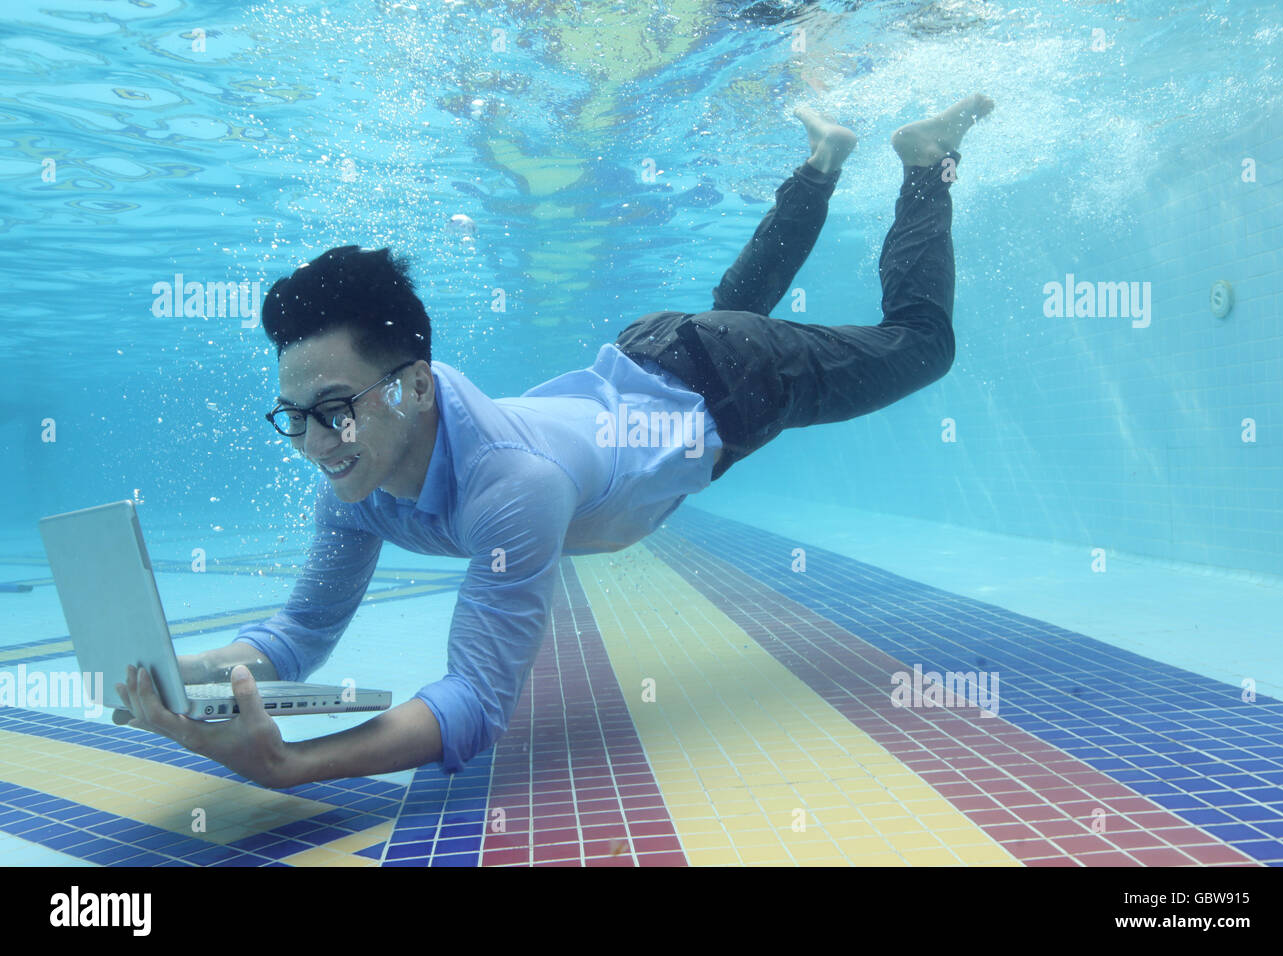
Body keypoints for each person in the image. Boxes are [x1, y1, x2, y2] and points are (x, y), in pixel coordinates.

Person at [114, 95, 994, 788]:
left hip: (729, 381)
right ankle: (823, 161)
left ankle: (924, 165)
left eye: (333, 408)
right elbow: (298, 634)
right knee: (734, 301)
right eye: (294, 416)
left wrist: (295, 764)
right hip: (650, 355)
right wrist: (172, 671)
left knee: (920, 348)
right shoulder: (355, 470)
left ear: (415, 385)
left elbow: (476, 700)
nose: (313, 443)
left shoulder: (512, 490)